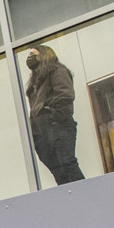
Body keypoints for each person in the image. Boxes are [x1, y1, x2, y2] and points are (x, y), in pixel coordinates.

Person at [25, 44, 86, 184]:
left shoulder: (57, 70)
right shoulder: (35, 82)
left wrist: (53, 118)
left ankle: (86, 197)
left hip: (57, 126)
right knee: (58, 170)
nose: (29, 58)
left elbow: (65, 95)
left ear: (44, 54)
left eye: (33, 54)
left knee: (67, 165)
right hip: (42, 132)